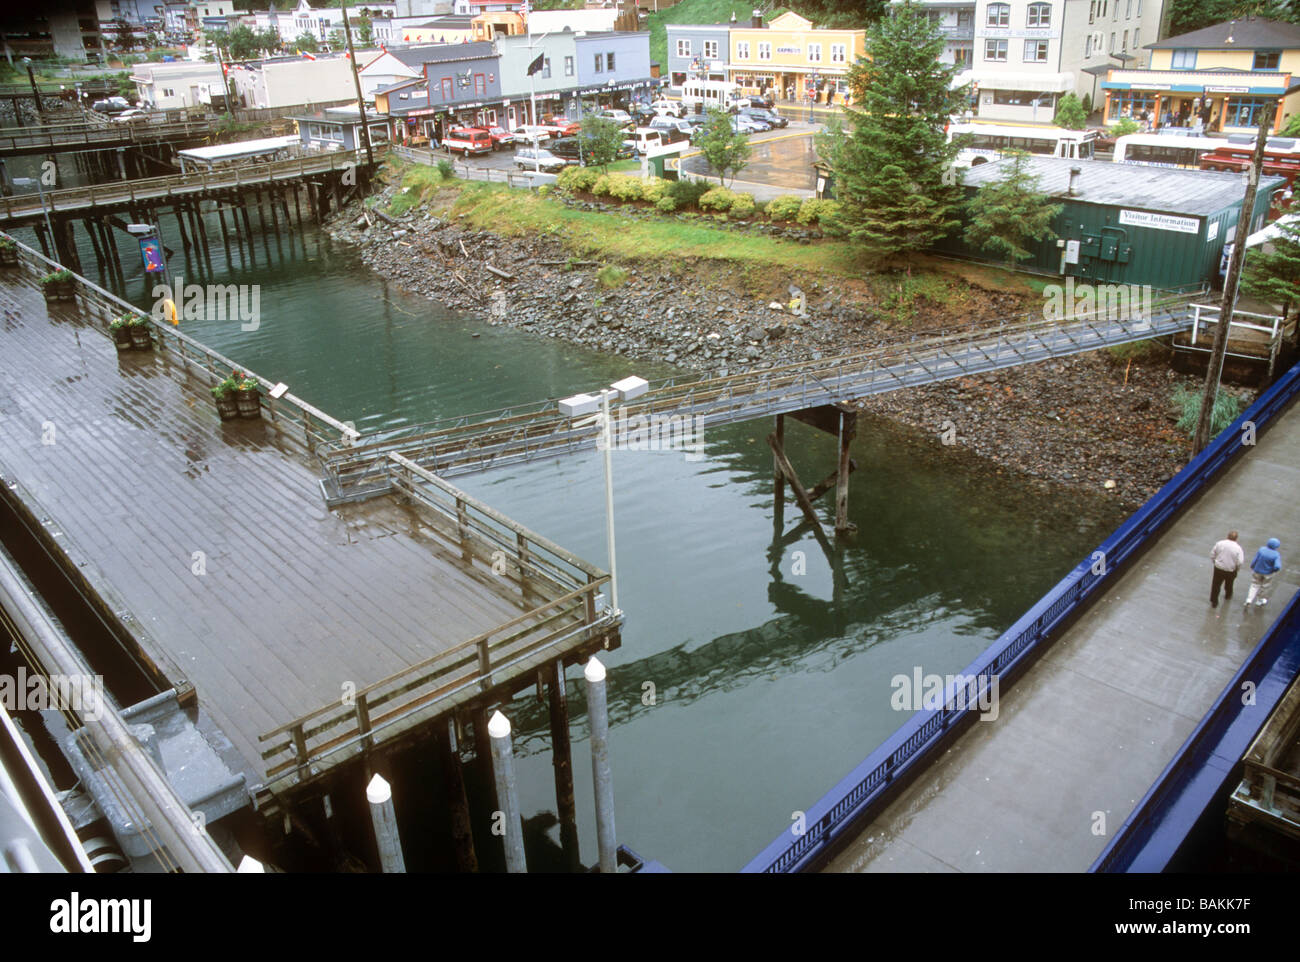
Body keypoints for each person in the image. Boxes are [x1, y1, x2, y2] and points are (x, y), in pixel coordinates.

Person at [1210, 530, 1245, 608]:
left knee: (1216, 584)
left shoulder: (1219, 543)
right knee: (1229, 583)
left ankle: (1214, 601)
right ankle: (1228, 595)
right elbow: (1240, 562)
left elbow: (1213, 553)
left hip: (1219, 568)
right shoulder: (1238, 548)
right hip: (1230, 569)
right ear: (1236, 538)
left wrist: (1214, 562)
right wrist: (1237, 569)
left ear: (1227, 536)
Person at [1244, 538, 1283, 607]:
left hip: (1257, 571)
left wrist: (1252, 566)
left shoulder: (1261, 550)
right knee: (1264, 587)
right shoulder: (1276, 555)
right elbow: (1277, 566)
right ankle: (1259, 600)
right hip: (1268, 573)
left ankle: (1249, 599)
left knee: (1254, 585)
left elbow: (1255, 559)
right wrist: (1273, 570)